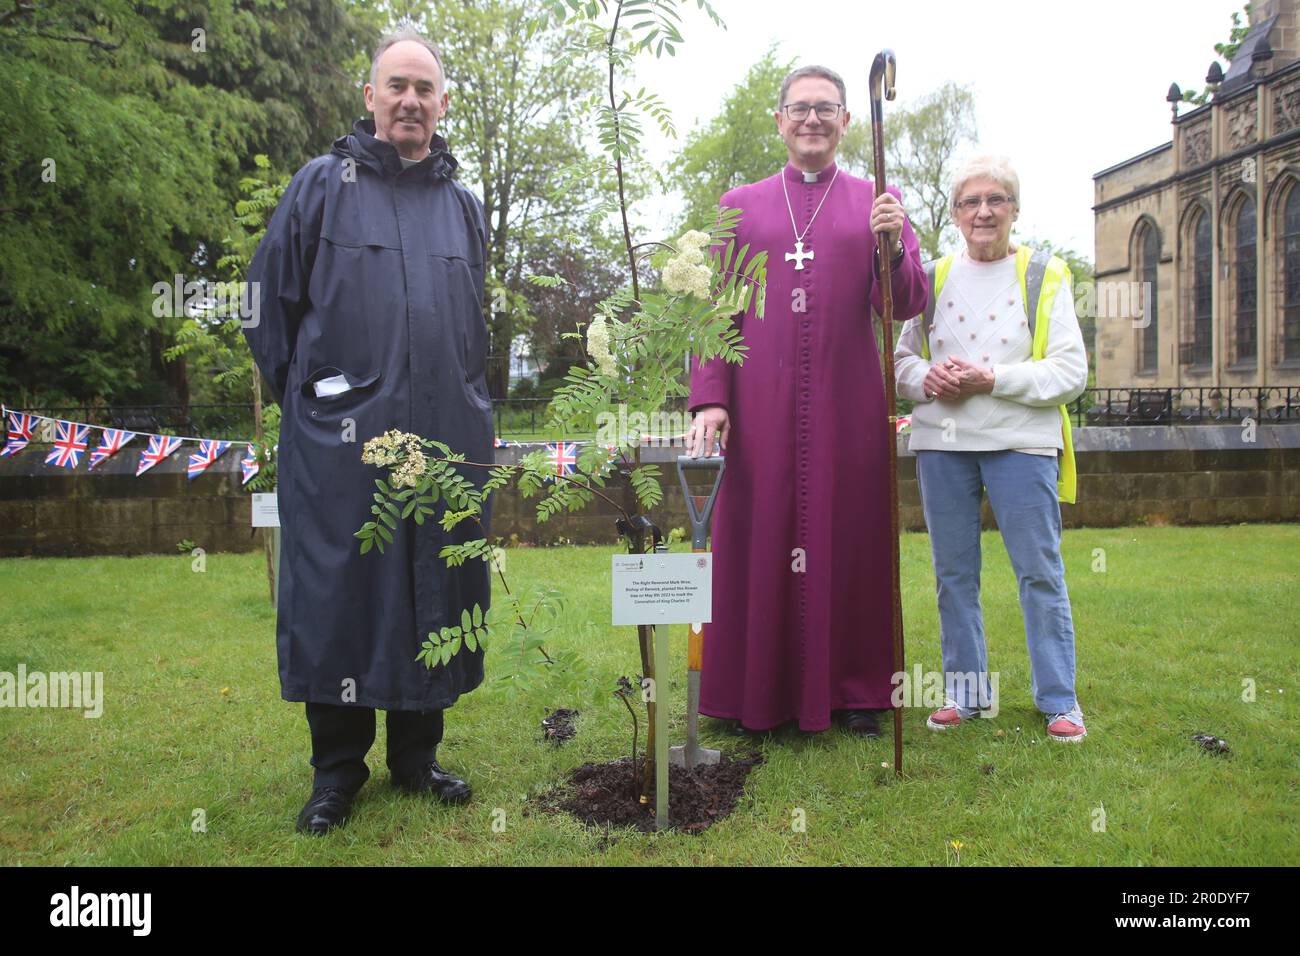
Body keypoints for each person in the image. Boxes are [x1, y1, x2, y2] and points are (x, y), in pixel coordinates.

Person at [244, 29, 493, 833]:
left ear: (443, 102)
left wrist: (464, 398)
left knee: (434, 581)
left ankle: (416, 757)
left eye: (425, 88)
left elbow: (472, 329)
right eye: (397, 86)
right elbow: (266, 308)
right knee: (342, 594)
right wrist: (315, 402)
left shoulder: (463, 207)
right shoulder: (322, 187)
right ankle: (336, 774)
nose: (411, 101)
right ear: (371, 97)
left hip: (446, 436)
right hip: (342, 445)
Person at [684, 65, 928, 737]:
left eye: (826, 108)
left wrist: (893, 244)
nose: (812, 119)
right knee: (754, 541)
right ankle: (750, 693)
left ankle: (853, 692)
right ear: (779, 121)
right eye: (800, 108)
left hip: (848, 409)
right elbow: (716, 313)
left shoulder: (878, 198)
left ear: (848, 121)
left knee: (850, 539)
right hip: (757, 409)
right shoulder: (740, 204)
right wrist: (710, 398)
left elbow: (903, 302)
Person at [893, 155, 1090, 742]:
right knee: (954, 575)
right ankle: (967, 694)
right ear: (954, 212)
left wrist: (992, 379)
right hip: (942, 445)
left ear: (1014, 209)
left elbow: (1070, 371)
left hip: (1021, 445)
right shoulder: (929, 277)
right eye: (971, 201)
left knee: (1039, 572)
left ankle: (1058, 699)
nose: (984, 211)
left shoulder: (1044, 275)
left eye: (996, 199)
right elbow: (900, 359)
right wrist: (927, 379)